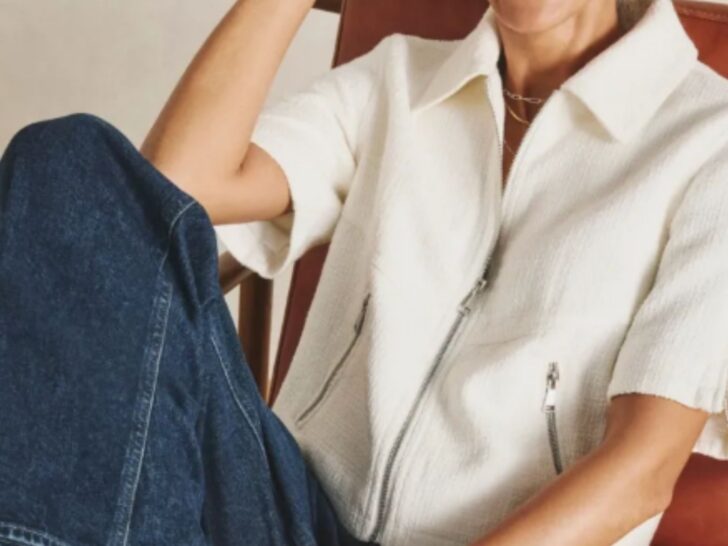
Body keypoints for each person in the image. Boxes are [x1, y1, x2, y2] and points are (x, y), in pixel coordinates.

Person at [1, 0, 727, 545]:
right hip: (289, 514)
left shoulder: (709, 143)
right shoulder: (400, 80)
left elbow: (641, 470)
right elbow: (167, 194)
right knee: (66, 162)